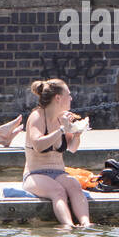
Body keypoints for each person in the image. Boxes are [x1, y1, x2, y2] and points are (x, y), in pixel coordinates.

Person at [22, 78, 91, 229]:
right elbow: (39, 145)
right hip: (35, 174)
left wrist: (77, 133)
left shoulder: (65, 118)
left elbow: (72, 148)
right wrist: (61, 130)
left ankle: (86, 224)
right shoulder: (37, 116)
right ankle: (68, 226)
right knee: (58, 191)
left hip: (58, 172)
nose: (71, 98)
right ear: (58, 98)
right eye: (69, 94)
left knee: (74, 185)